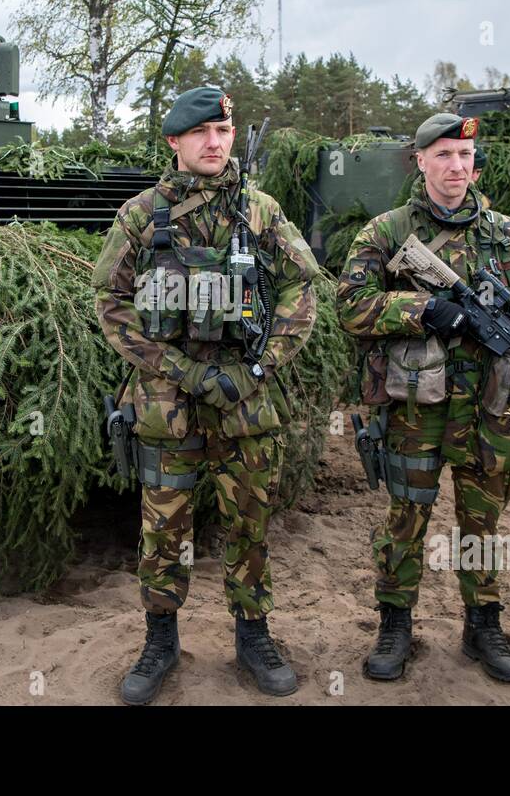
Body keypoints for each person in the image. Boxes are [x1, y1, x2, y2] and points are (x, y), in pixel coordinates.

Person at [91, 86, 320, 704]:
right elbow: (111, 305)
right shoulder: (143, 215)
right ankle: (160, 642)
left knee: (251, 525)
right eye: (201, 134)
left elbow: (304, 292)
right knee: (163, 528)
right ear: (175, 142)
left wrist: (260, 366)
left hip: (246, 404)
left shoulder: (262, 212)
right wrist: (180, 371)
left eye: (223, 132)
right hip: (169, 405)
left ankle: (254, 638)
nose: (215, 144)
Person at [336, 113, 510, 683]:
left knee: (481, 524)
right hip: (415, 410)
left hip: (489, 410)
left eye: (464, 156)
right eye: (442, 155)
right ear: (420, 161)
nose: (456, 166)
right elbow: (350, 306)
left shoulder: (507, 236)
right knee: (406, 517)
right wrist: (423, 310)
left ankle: (483, 623)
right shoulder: (385, 234)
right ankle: (395, 624)